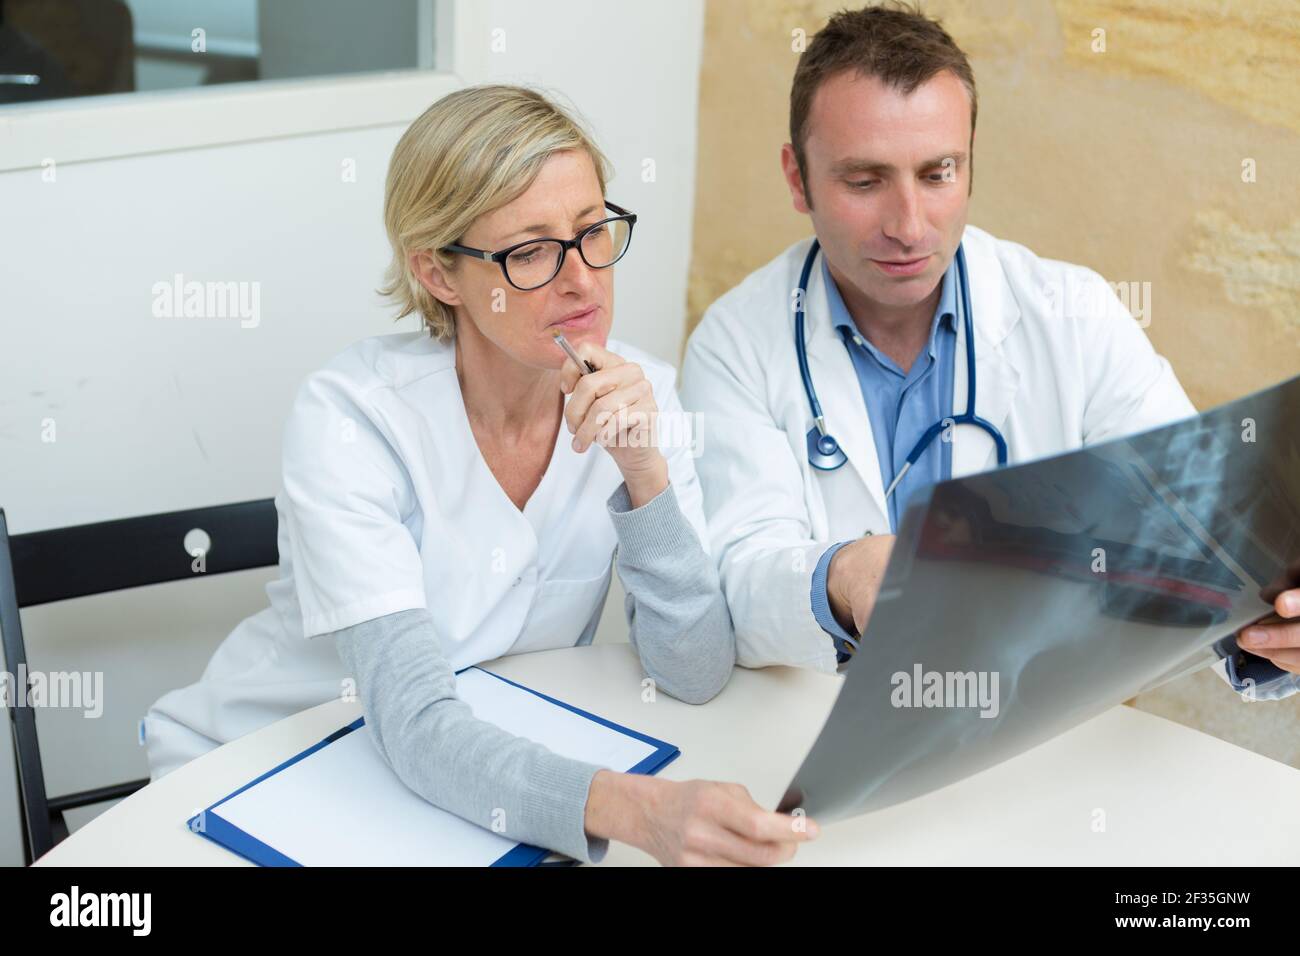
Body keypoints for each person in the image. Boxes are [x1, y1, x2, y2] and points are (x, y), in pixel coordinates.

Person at [143, 84, 817, 865]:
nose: (583, 281)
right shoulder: (353, 420)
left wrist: (643, 474)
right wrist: (635, 810)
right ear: (437, 273)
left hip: (460, 787)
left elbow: (695, 672)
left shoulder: (644, 395)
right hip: (264, 773)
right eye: (530, 252)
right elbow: (415, 719)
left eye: (594, 231)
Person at [680, 3, 1300, 699]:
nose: (909, 226)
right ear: (798, 179)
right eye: (864, 180)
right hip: (823, 734)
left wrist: (1270, 630)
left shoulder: (1075, 317)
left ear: (970, 166)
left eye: (938, 173)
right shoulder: (737, 343)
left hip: (1036, 736)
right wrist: (840, 577)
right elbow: (737, 575)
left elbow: (1197, 528)